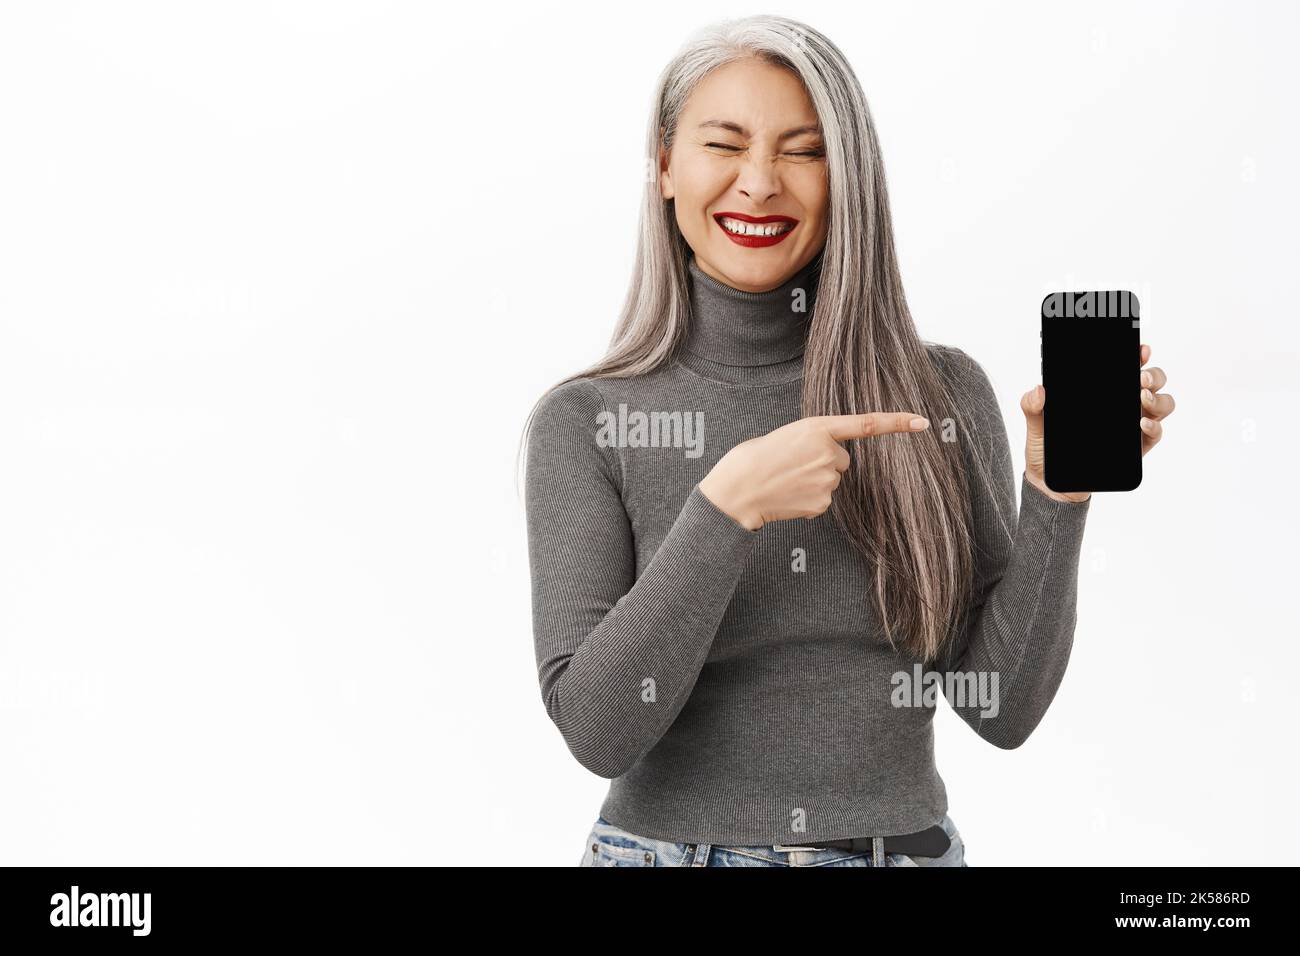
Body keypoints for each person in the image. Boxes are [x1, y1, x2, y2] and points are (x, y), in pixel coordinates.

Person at [522, 14, 1176, 868]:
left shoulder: (934, 396)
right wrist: (725, 510)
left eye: (803, 150)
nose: (759, 184)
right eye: (725, 144)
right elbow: (597, 731)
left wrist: (1056, 492)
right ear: (664, 168)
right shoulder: (586, 422)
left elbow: (1004, 711)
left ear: (849, 180)